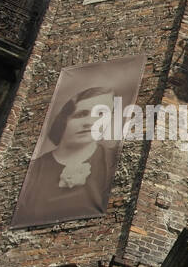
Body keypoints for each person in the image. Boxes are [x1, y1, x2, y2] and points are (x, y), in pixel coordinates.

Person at [12, 86, 120, 227]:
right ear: (64, 120)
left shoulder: (113, 161)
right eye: (81, 114)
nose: (90, 122)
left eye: (101, 115)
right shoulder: (34, 170)